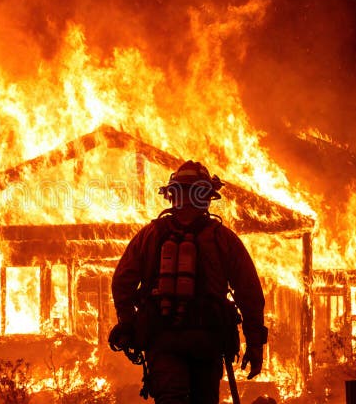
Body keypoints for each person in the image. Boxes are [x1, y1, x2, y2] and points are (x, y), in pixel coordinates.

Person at [109, 160, 268, 404]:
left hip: (162, 339)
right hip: (207, 341)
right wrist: (255, 344)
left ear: (172, 195)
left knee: (170, 399)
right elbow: (249, 294)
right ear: (207, 197)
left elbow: (122, 282)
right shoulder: (222, 237)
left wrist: (128, 324)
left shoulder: (150, 235)